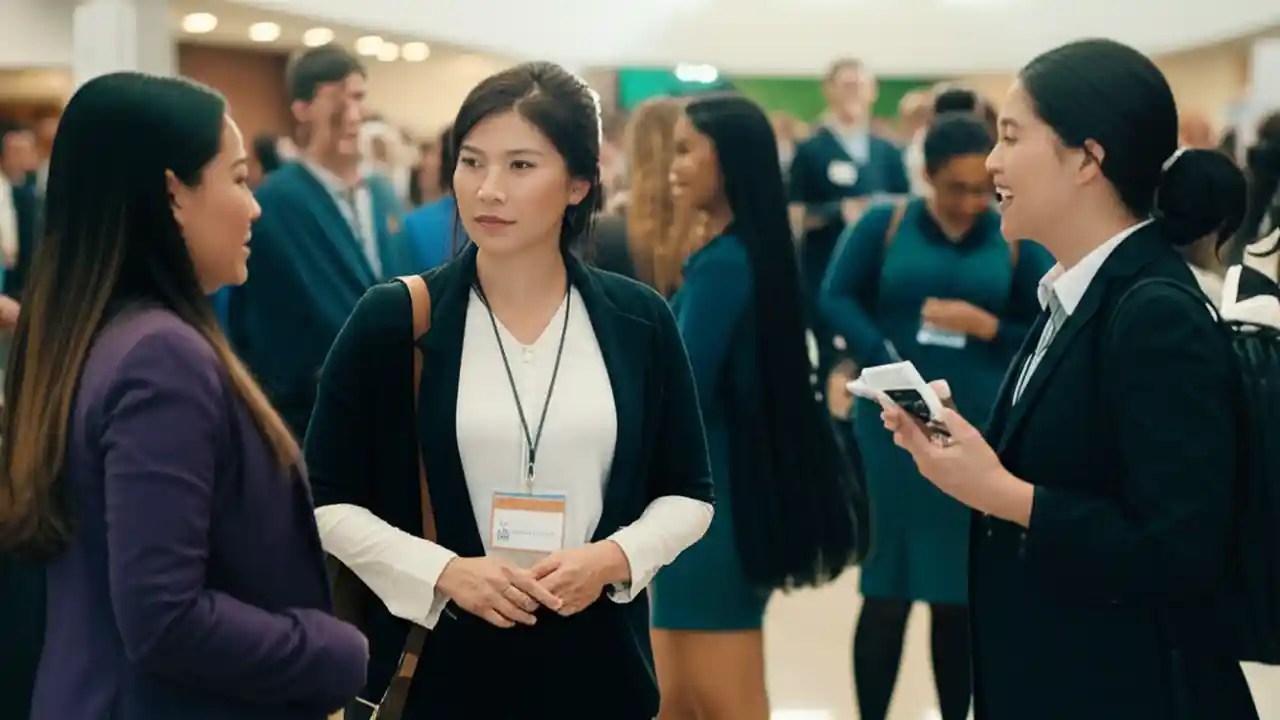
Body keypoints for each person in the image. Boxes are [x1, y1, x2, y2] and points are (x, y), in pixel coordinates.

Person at [307, 61, 715, 719]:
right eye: (472, 162)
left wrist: (614, 556)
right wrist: (444, 571)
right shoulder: (394, 319)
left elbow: (689, 494)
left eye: (521, 166)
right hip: (441, 675)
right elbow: (323, 500)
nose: (488, 189)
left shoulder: (638, 321)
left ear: (578, 183)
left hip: (599, 673)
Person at [880, 39, 1259, 719]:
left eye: (1010, 136)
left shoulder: (1154, 313)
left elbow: (1180, 551)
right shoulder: (1074, 296)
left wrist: (1004, 494)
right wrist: (968, 455)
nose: (992, 161)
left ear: (1088, 158)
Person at [0, 72, 368, 720]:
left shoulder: (86, 335)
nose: (255, 206)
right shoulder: (159, 357)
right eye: (236, 178)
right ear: (174, 193)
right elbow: (163, 617)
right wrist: (330, 650)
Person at [820, 112, 1052, 720]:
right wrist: (882, 357)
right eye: (957, 188)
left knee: (958, 593)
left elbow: (1049, 322)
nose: (972, 201)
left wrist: (989, 326)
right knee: (886, 586)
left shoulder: (1012, 234)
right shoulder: (885, 222)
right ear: (926, 176)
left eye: (983, 189)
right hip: (893, 423)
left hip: (975, 428)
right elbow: (835, 294)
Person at [650, 94, 867, 720]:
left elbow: (680, 387)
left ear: (730, 162)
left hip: (709, 505)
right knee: (681, 690)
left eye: (688, 150)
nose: (674, 165)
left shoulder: (726, 265)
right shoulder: (742, 255)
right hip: (720, 496)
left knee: (713, 694)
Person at [225, 44, 412, 439]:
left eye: (359, 98)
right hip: (310, 420)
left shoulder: (383, 195)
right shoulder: (275, 202)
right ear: (303, 108)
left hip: (394, 412)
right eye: (337, 101)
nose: (353, 116)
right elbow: (258, 324)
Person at [788, 58, 911, 393]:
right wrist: (837, 212)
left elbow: (906, 203)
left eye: (860, 85)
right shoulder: (812, 149)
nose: (853, 93)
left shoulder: (886, 150)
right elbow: (795, 214)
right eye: (846, 85)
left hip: (879, 272)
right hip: (827, 271)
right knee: (835, 359)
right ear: (829, 90)